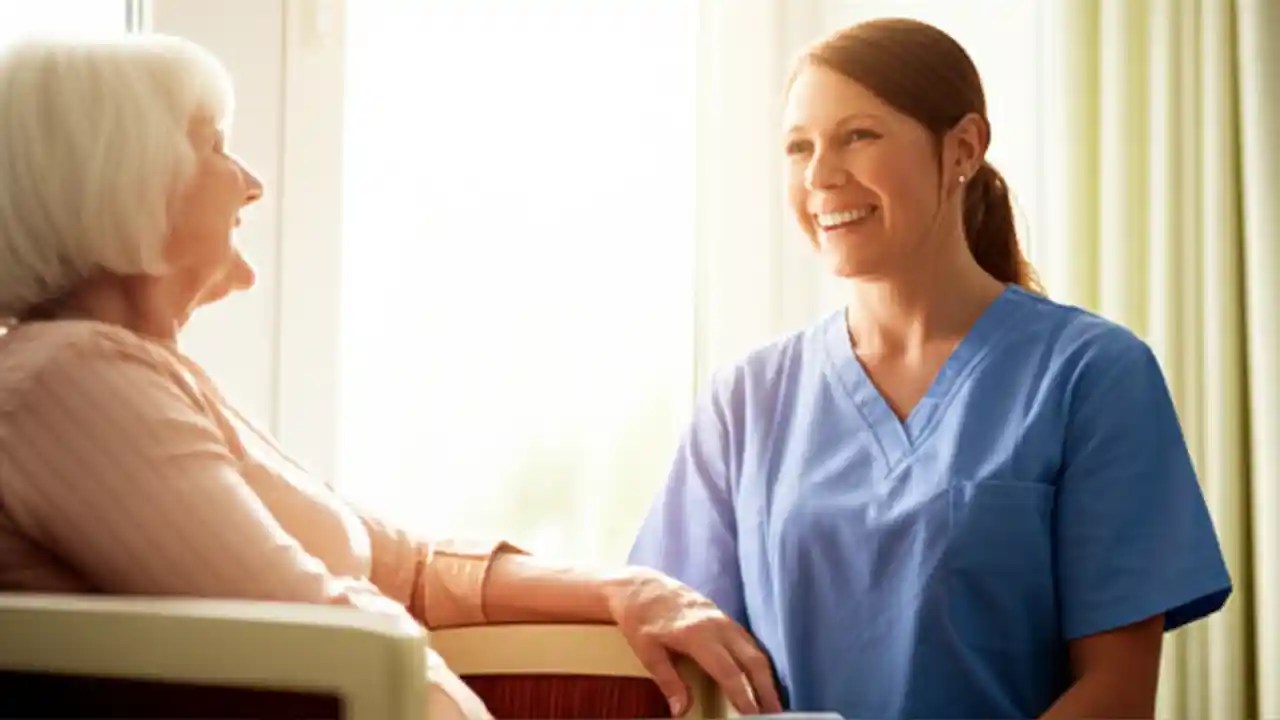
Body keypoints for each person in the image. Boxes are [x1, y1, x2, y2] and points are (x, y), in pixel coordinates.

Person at [0, 34, 783, 719]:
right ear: (126, 175)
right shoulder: (71, 382)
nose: (250, 183)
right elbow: (325, 631)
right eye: (215, 146)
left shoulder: (134, 373)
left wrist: (628, 587)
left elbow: (403, 567)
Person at [629, 17, 1232, 720]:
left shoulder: (1092, 375)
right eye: (799, 147)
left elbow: (1117, 697)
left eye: (858, 135)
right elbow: (668, 644)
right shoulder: (746, 402)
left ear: (963, 149)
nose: (821, 175)